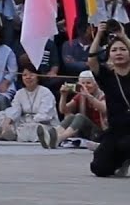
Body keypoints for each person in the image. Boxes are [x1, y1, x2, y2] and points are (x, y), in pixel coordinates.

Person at [84, 21, 130, 177]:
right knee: (99, 168)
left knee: (126, 144)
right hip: (116, 129)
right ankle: (122, 161)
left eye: (123, 50)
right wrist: (99, 34)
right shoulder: (107, 75)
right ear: (109, 55)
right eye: (115, 50)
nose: (119, 53)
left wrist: (123, 36)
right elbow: (91, 60)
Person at [0, 65, 58, 143]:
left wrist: (29, 122)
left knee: (33, 127)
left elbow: (45, 114)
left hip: (41, 123)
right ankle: (12, 133)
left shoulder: (45, 92)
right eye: (25, 75)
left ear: (38, 77)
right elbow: (15, 109)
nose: (28, 77)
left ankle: (38, 136)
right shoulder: (20, 93)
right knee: (2, 116)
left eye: (31, 75)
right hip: (24, 122)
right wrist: (8, 120)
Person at [48, 70, 106, 147]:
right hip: (85, 132)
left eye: (88, 83)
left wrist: (88, 96)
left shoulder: (102, 94)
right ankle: (52, 136)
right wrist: (63, 95)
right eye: (83, 83)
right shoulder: (81, 96)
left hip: (100, 133)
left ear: (96, 84)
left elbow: (104, 108)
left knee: (80, 116)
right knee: (71, 116)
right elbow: (63, 110)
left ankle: (60, 138)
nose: (85, 86)